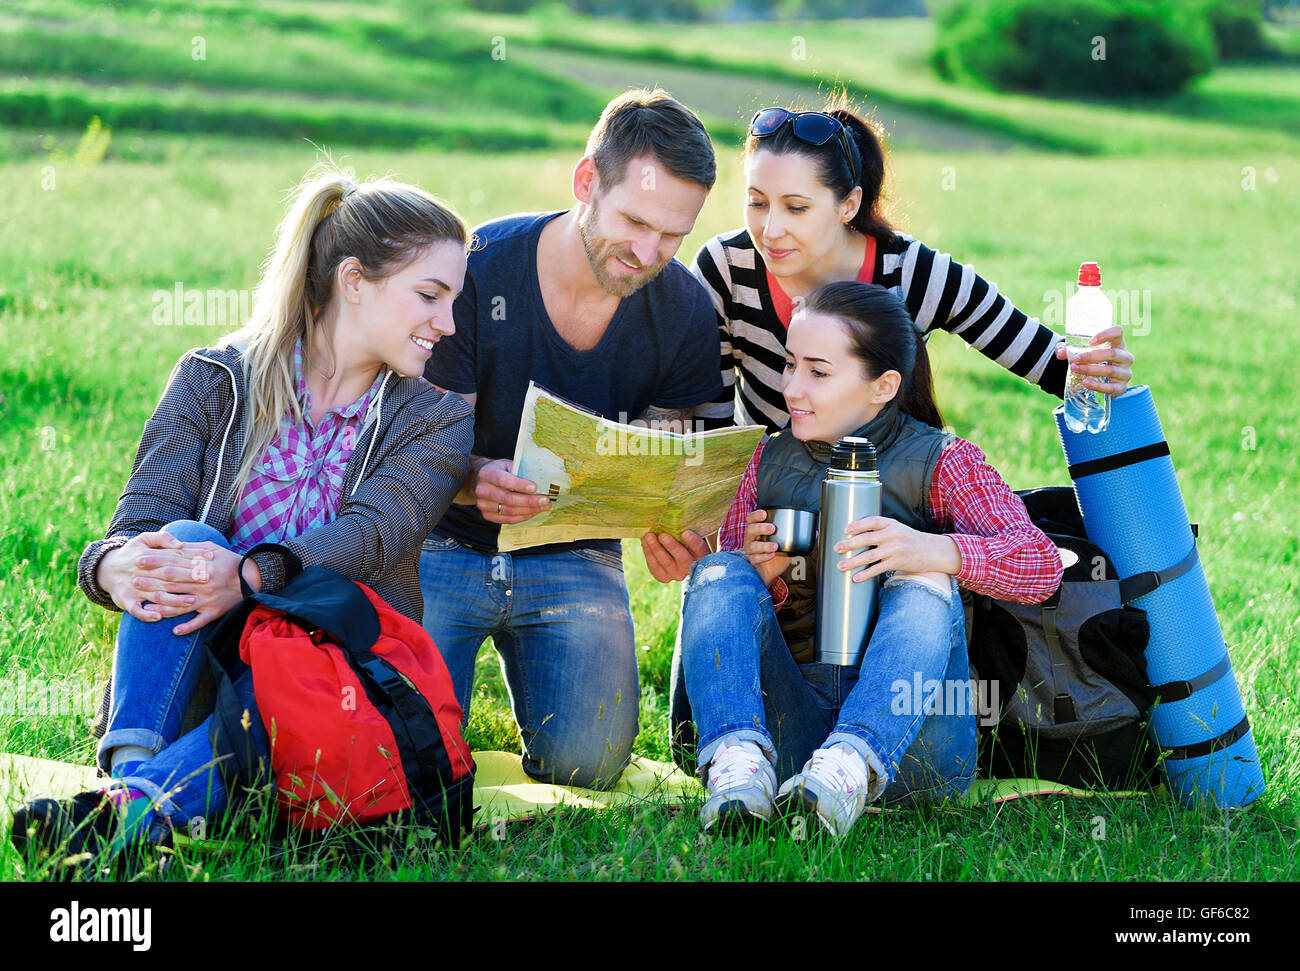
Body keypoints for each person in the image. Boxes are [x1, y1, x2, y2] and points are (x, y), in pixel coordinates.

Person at [11, 165, 476, 874]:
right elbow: (138, 523)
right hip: (198, 676)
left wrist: (252, 574)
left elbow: (373, 532)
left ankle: (124, 814)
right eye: (430, 296)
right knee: (185, 542)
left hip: (326, 689)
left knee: (253, 617)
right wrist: (111, 564)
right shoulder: (214, 377)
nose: (447, 324)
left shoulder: (435, 419)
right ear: (354, 281)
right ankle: (132, 782)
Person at [678, 281, 1064, 836]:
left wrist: (933, 549)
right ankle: (737, 768)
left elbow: (1041, 567)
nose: (791, 388)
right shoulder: (762, 461)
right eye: (790, 365)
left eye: (818, 371)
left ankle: (852, 763)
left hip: (916, 754)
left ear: (883, 386)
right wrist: (760, 581)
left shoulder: (944, 461)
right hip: (788, 737)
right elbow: (729, 620)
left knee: (924, 577)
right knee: (721, 571)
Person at [418, 88, 723, 791]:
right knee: (411, 752)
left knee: (589, 761)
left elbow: (672, 461)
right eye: (635, 221)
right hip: (444, 541)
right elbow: (423, 448)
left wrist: (671, 524)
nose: (650, 251)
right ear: (587, 182)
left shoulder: (683, 309)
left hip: (573, 552)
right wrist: (473, 477)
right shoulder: (479, 266)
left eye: (673, 234)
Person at [690, 98, 1135, 435]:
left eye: (796, 208)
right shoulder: (725, 270)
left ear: (848, 204)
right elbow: (710, 430)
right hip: (772, 512)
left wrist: (1093, 369)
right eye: (757, 203)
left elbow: (1048, 362)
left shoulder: (912, 273)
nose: (770, 230)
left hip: (894, 509)